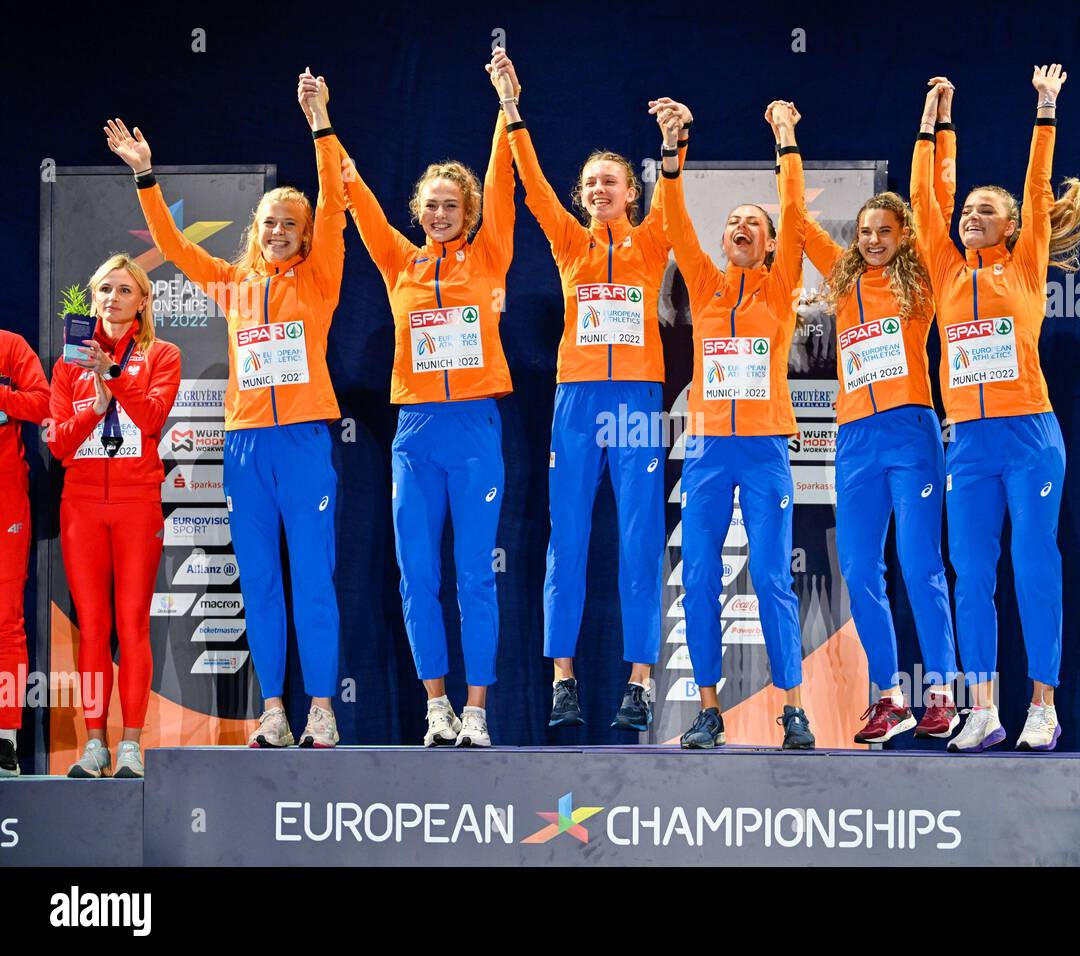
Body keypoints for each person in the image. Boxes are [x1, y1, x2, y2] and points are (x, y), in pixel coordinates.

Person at [104, 68, 347, 748]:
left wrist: (320, 123)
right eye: (269, 222)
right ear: (257, 229)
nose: (276, 231)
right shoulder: (234, 283)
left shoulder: (321, 277)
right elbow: (176, 249)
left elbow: (333, 203)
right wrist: (146, 176)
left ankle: (321, 708)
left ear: (304, 235)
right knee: (261, 584)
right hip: (243, 446)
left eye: (288, 224)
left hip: (301, 442)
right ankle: (274, 708)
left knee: (313, 582)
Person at [490, 47, 690, 732]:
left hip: (635, 404)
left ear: (631, 193)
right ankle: (563, 681)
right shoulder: (570, 246)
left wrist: (671, 145)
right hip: (576, 403)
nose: (601, 190)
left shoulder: (652, 241)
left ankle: (638, 680)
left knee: (639, 538)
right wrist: (511, 108)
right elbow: (533, 186)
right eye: (592, 185)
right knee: (565, 538)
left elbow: (672, 195)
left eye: (611, 182)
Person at [910, 66, 1080, 752]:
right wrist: (936, 120)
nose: (969, 216)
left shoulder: (1023, 265)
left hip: (1028, 434)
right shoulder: (943, 267)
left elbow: (1036, 185)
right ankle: (985, 707)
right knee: (970, 566)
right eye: (967, 210)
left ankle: (1044, 705)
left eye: (984, 211)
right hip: (967, 439)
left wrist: (1046, 109)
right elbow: (925, 197)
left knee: (1032, 560)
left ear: (1013, 227)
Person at [326, 61, 515, 747]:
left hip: (473, 430)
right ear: (418, 211)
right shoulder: (398, 263)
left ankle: (477, 711)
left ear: (468, 214)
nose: (440, 214)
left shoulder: (489, 255)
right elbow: (353, 193)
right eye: (430, 205)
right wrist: (322, 122)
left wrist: (505, 105)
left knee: (474, 577)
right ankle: (435, 706)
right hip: (415, 432)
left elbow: (504, 181)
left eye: (452, 206)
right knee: (418, 578)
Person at [780, 86, 960, 745]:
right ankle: (890, 696)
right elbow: (796, 223)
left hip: (911, 431)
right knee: (859, 567)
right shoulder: (844, 278)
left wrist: (935, 126)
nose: (874, 240)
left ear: (904, 237)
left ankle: (940, 691)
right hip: (854, 438)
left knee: (920, 562)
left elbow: (938, 197)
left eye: (886, 231)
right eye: (866, 232)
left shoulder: (924, 281)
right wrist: (788, 143)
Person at [659, 100, 814, 750]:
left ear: (770, 243)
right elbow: (672, 222)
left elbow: (799, 219)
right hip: (708, 452)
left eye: (753, 222)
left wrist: (785, 138)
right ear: (722, 243)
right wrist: (673, 149)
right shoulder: (703, 282)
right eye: (731, 223)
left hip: (764, 451)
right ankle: (708, 708)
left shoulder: (779, 288)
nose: (739, 227)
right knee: (697, 577)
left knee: (773, 577)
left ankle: (794, 709)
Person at [48, 254, 181, 777]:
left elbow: (150, 419)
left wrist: (116, 377)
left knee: (132, 624)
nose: (112, 299)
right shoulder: (67, 363)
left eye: (125, 290)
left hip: (135, 500)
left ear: (143, 301)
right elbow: (58, 444)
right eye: (105, 289)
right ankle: (94, 743)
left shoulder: (162, 354)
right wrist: (93, 405)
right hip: (81, 501)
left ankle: (130, 745)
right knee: (94, 626)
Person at [0, 329, 51, 776]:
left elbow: (42, 403)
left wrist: (4, 399)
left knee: (7, 620)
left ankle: (5, 740)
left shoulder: (10, 346)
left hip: (6, 498)